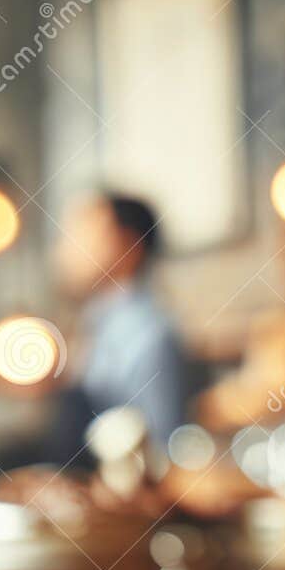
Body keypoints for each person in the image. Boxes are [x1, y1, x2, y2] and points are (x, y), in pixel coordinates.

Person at [45, 190, 190, 463]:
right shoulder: (93, 319)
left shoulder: (148, 335)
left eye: (83, 235)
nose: (65, 250)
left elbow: (159, 451)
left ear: (128, 246)